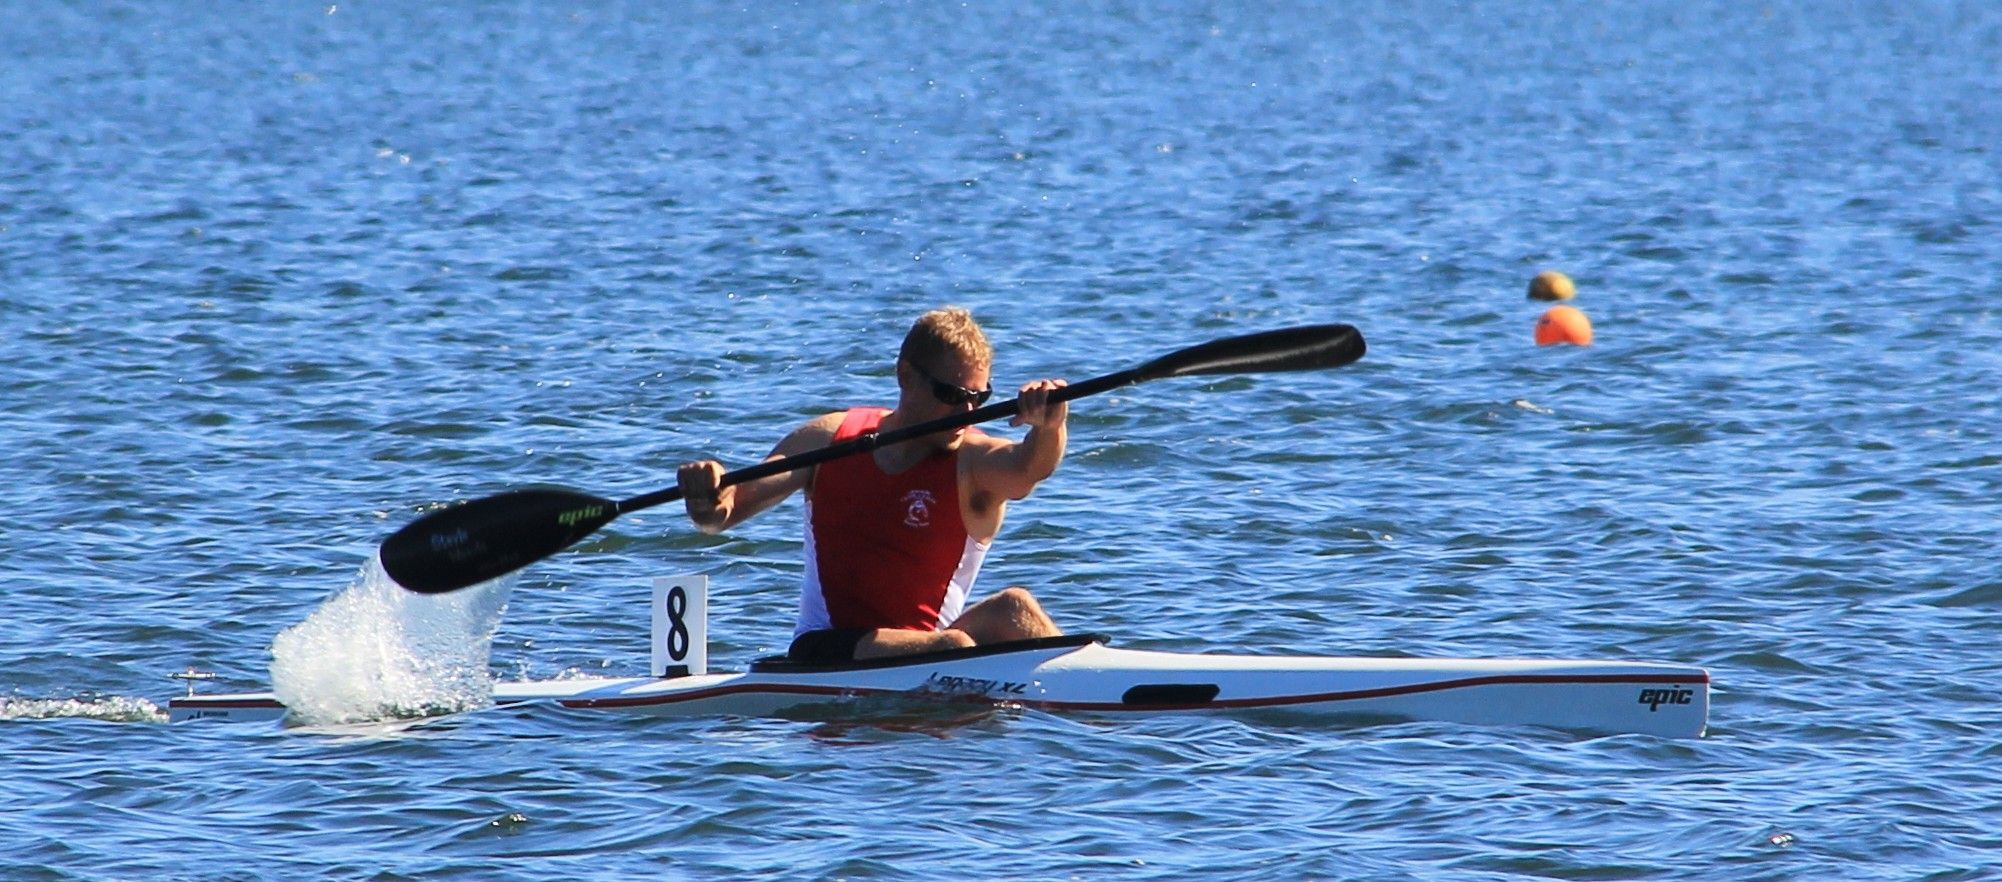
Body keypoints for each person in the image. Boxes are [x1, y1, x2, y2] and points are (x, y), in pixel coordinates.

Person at [677, 307, 1070, 663]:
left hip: (927, 648)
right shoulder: (828, 441)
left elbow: (1028, 467)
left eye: (978, 397)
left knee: (1014, 607)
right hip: (826, 648)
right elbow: (723, 513)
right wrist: (705, 493)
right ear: (906, 376)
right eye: (951, 395)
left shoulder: (972, 462)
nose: (966, 412)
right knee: (953, 648)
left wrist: (1049, 426)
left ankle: (1089, 701)